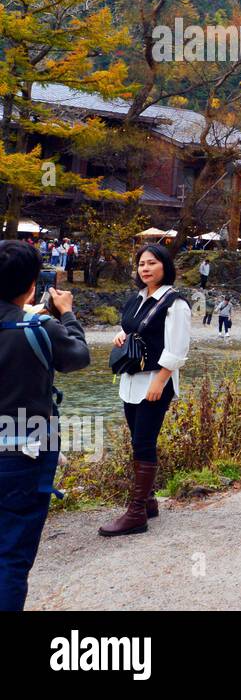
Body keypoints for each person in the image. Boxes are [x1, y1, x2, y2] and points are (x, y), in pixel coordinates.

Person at [0, 240, 90, 610]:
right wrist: (64, 315)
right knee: (10, 558)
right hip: (24, 452)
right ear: (33, 284)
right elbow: (78, 357)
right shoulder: (40, 327)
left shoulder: (32, 323)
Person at [102, 243, 192, 537]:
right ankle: (149, 501)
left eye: (152, 263)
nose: (145, 268)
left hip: (154, 382)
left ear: (165, 266)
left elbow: (178, 346)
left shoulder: (175, 303)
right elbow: (130, 328)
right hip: (131, 380)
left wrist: (160, 380)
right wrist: (121, 334)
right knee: (138, 441)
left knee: (143, 442)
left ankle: (136, 512)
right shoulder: (137, 299)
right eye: (141, 264)